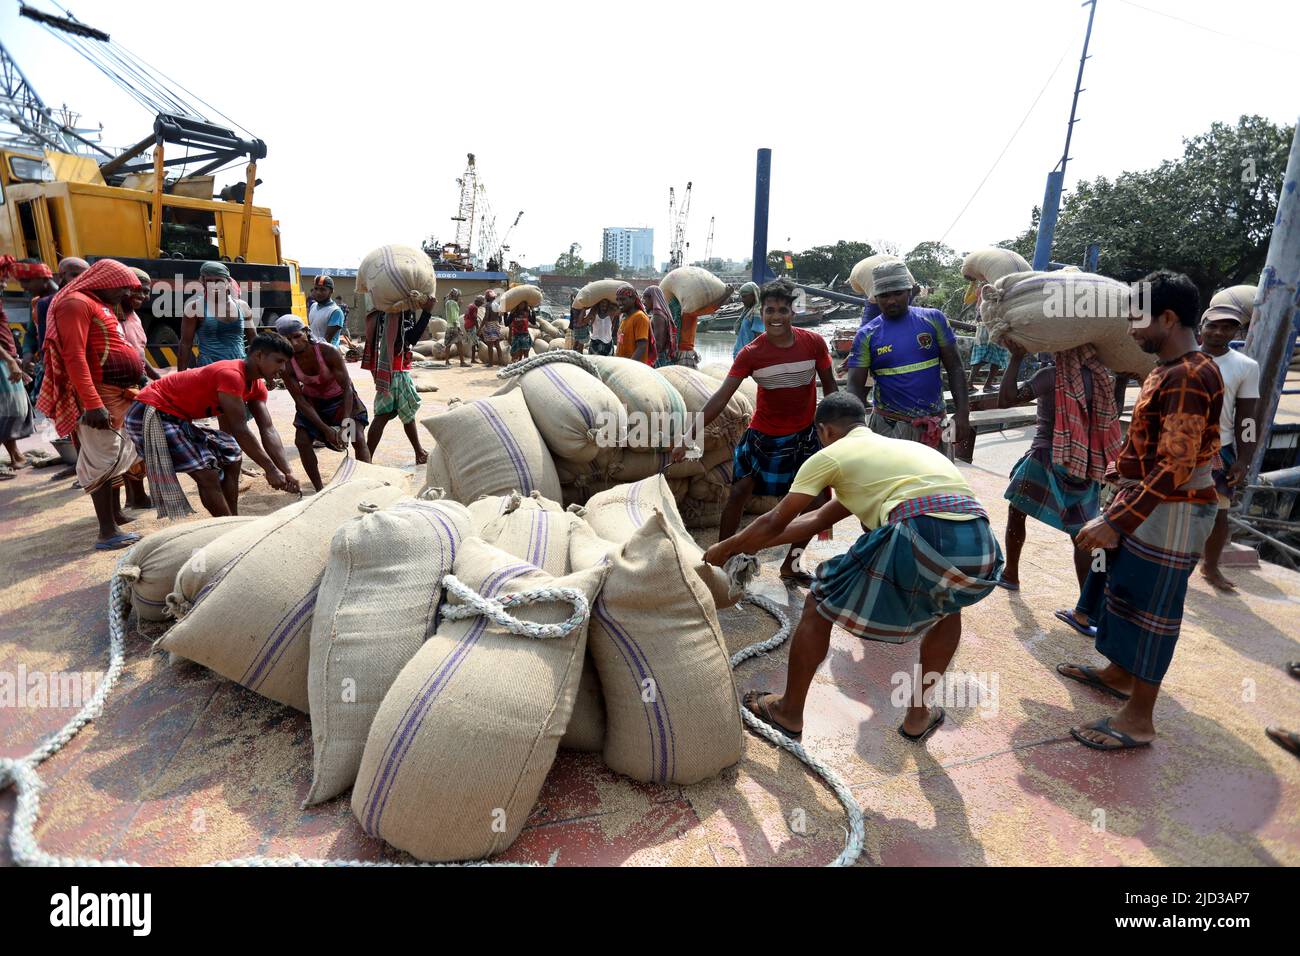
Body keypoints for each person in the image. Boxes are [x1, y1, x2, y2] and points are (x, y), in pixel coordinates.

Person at [704, 392, 1002, 741]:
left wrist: (721, 549)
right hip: (980, 539)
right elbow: (814, 520)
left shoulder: (830, 455)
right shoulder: (902, 452)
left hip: (920, 529)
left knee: (819, 604)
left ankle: (788, 712)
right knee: (949, 609)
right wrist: (746, 546)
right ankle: (918, 716)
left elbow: (774, 520)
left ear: (825, 431)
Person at [1056, 270, 1223, 751]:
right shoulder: (1167, 368)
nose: (1130, 329)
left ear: (1167, 318)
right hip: (1147, 501)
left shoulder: (1190, 375)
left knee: (1155, 610)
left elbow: (1176, 464)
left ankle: (1139, 719)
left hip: (1173, 510)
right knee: (1124, 592)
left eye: (1136, 318)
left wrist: (1114, 520)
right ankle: (1119, 674)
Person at [676, 278, 837, 586]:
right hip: (763, 435)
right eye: (769, 311)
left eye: (782, 310)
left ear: (792, 312)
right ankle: (721, 557)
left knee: (816, 504)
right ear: (761, 313)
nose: (775, 317)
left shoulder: (814, 343)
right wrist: (688, 435)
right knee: (739, 492)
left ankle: (791, 565)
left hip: (804, 437)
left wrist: (839, 433)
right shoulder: (751, 353)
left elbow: (831, 389)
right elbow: (722, 397)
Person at [35, 259, 150, 549]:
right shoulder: (75, 303)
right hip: (99, 396)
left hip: (117, 393)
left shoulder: (99, 304)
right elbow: (73, 355)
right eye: (122, 287)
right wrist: (92, 402)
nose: (125, 293)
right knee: (102, 457)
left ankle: (116, 515)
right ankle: (106, 532)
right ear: (105, 282)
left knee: (116, 455)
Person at [126, 333, 301, 518]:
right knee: (206, 474)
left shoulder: (257, 385)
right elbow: (240, 430)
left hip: (177, 417)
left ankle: (232, 519)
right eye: (279, 361)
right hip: (149, 411)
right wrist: (270, 470)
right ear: (258, 355)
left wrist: (287, 471)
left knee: (231, 453)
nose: (283, 368)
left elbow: (267, 429)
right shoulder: (231, 374)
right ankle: (226, 527)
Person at [991, 341, 1121, 591]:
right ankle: (1088, 599)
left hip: (1047, 457)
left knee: (1017, 511)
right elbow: (1110, 416)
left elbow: (1006, 400)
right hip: (1084, 464)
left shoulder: (1050, 376)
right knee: (1083, 534)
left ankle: (1010, 574)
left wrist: (1016, 358)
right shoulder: (1103, 379)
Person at [846, 260, 972, 458]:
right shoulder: (866, 335)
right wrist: (855, 426)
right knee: (893, 485)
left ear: (909, 291)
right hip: (889, 426)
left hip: (938, 421)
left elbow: (955, 367)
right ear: (875, 298)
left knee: (941, 483)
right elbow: (854, 385)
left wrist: (963, 413)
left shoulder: (934, 319)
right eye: (884, 296)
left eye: (898, 293)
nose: (891, 301)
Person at [1197, 304, 1259, 591]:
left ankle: (1210, 568)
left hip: (1218, 449)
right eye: (1213, 325)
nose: (1219, 331)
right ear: (1201, 326)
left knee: (1218, 511)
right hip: (1177, 445)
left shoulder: (1246, 367)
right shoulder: (1182, 358)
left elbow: (1246, 418)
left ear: (1238, 330)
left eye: (1227, 326)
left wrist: (1244, 459)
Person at [274, 315, 370, 491]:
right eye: (287, 340)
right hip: (313, 403)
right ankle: (319, 489)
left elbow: (347, 388)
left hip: (342, 400)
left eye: (297, 336)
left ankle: (366, 485)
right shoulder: (286, 363)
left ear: (306, 332)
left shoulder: (327, 351)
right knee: (302, 441)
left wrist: (345, 423)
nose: (294, 343)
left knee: (357, 436)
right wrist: (325, 429)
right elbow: (300, 401)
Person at [363, 299, 433, 465]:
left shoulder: (383, 312)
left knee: (403, 413)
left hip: (389, 368)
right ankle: (366, 458)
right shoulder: (397, 315)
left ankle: (418, 452)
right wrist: (427, 312)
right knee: (384, 414)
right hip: (396, 372)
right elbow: (411, 338)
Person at [179, 261, 255, 370]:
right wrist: (181, 378)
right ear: (202, 281)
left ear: (228, 282)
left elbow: (254, 341)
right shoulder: (194, 308)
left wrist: (263, 372)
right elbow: (185, 344)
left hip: (239, 370)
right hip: (209, 373)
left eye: (219, 281)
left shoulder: (242, 307)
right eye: (209, 281)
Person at [0, 292, 34, 476]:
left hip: (6, 359)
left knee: (11, 411)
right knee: (9, 411)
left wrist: (14, 358)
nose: (5, 282)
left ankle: (16, 456)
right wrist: (10, 360)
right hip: (2, 362)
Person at [667, 282, 732, 368]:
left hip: (674, 353)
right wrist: (725, 295)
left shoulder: (671, 312)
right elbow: (710, 309)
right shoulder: (688, 312)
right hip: (685, 353)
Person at [120, 268, 161, 383]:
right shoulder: (111, 317)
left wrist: (158, 379)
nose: (142, 296)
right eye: (136, 290)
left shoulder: (135, 317)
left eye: (146, 291)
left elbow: (139, 356)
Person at [968, 314, 1010, 392]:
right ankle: (987, 385)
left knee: (980, 357)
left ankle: (969, 383)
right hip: (997, 327)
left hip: (984, 327)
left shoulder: (982, 302)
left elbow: (978, 315)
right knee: (998, 358)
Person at [614, 286, 654, 365]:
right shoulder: (625, 318)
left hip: (633, 369)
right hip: (622, 366)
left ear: (633, 299)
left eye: (622, 299)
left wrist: (630, 366)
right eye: (617, 300)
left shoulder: (639, 317)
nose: (619, 303)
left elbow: (642, 347)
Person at [644, 285, 678, 368]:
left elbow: (658, 345)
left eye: (645, 299)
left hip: (658, 359)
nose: (643, 302)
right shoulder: (661, 314)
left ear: (652, 298)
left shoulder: (658, 316)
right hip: (663, 357)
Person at [308, 275, 346, 348]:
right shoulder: (313, 306)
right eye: (316, 289)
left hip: (328, 354)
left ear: (331, 291)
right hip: (315, 351)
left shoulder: (335, 311)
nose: (318, 292)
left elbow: (326, 340)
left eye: (322, 290)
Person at [732, 281, 764, 356]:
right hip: (740, 355)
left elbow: (759, 338)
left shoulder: (757, 313)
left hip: (747, 357)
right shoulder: (748, 312)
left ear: (753, 295)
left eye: (744, 296)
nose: (742, 300)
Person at [442, 288, 468, 367]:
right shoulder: (453, 303)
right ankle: (462, 362)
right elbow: (454, 316)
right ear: (456, 296)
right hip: (454, 326)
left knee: (448, 345)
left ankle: (447, 362)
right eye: (458, 296)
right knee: (459, 344)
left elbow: (451, 313)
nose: (459, 297)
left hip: (449, 326)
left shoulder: (447, 303)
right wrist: (458, 328)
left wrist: (459, 305)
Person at [479, 293, 504, 366]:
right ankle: (501, 361)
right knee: (497, 344)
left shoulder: (488, 305)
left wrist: (480, 327)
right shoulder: (497, 305)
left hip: (490, 325)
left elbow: (486, 317)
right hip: (496, 324)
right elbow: (499, 317)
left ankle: (490, 363)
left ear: (488, 298)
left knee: (490, 345)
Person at [462, 292, 480, 364]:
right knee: (473, 343)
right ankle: (473, 359)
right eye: (481, 303)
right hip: (471, 326)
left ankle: (473, 358)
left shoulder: (470, 305)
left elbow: (466, 315)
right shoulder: (475, 307)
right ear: (478, 302)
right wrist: (478, 328)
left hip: (467, 325)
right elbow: (475, 319)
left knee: (474, 342)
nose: (481, 304)